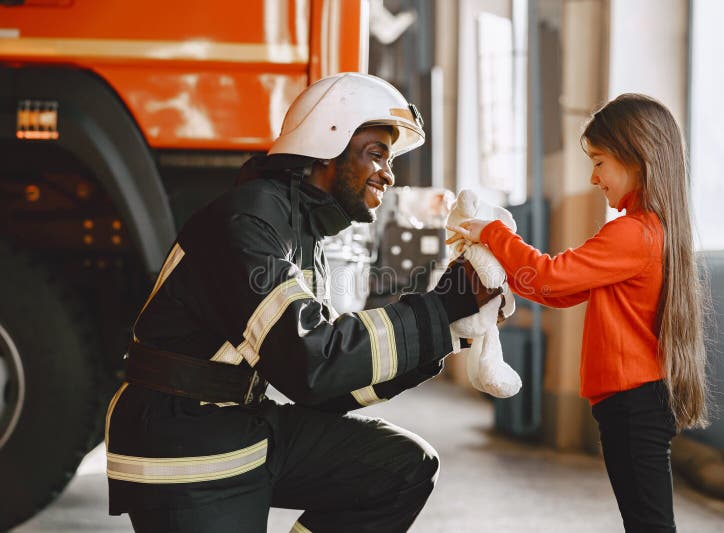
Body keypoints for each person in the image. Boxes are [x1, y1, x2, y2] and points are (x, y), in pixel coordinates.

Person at [105, 72, 500, 533]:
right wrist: (441, 307)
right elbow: (312, 361)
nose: (388, 174)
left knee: (400, 469)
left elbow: (323, 386)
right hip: (182, 441)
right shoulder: (248, 221)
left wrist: (449, 330)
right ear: (326, 141)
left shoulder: (297, 228)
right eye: (376, 154)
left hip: (233, 422)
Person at [448, 93, 710, 532]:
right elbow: (559, 291)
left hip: (633, 401)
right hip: (631, 400)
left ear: (637, 157)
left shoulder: (633, 233)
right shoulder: (646, 231)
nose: (593, 177)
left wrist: (493, 234)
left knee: (649, 524)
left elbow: (551, 277)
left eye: (600, 161)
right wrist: (501, 275)